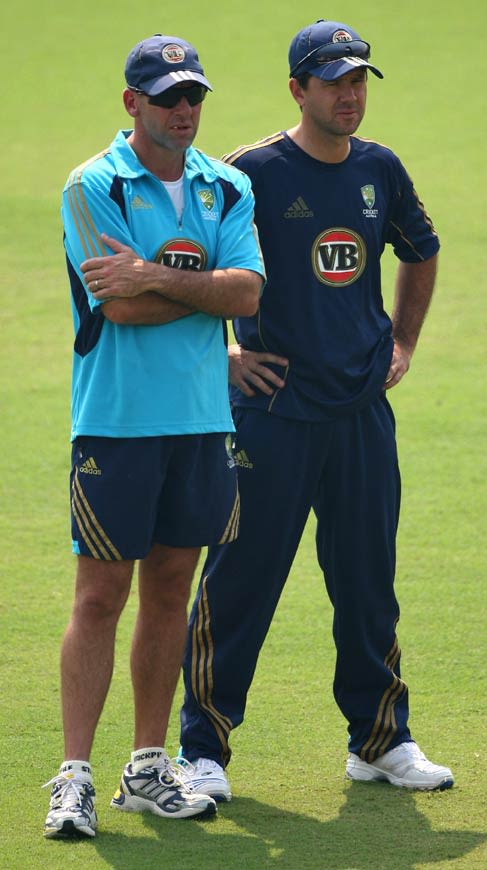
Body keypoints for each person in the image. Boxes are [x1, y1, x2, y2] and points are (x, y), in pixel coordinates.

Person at [178, 19, 454, 800]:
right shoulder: (247, 172)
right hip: (270, 414)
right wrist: (220, 355)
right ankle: (202, 749)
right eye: (333, 81)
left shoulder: (380, 168)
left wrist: (402, 342)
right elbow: (183, 268)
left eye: (359, 80)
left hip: (362, 411)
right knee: (240, 582)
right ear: (298, 89)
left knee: (369, 580)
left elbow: (422, 249)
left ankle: (379, 742)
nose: (350, 95)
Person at [43, 33, 264, 839]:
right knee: (100, 596)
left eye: (193, 95)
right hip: (118, 422)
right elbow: (119, 308)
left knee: (172, 591)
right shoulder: (90, 185)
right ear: (131, 103)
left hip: (203, 423)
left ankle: (145, 766)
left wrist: (161, 276)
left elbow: (246, 294)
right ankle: (74, 776)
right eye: (167, 96)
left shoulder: (228, 187)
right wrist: (204, 292)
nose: (184, 109)